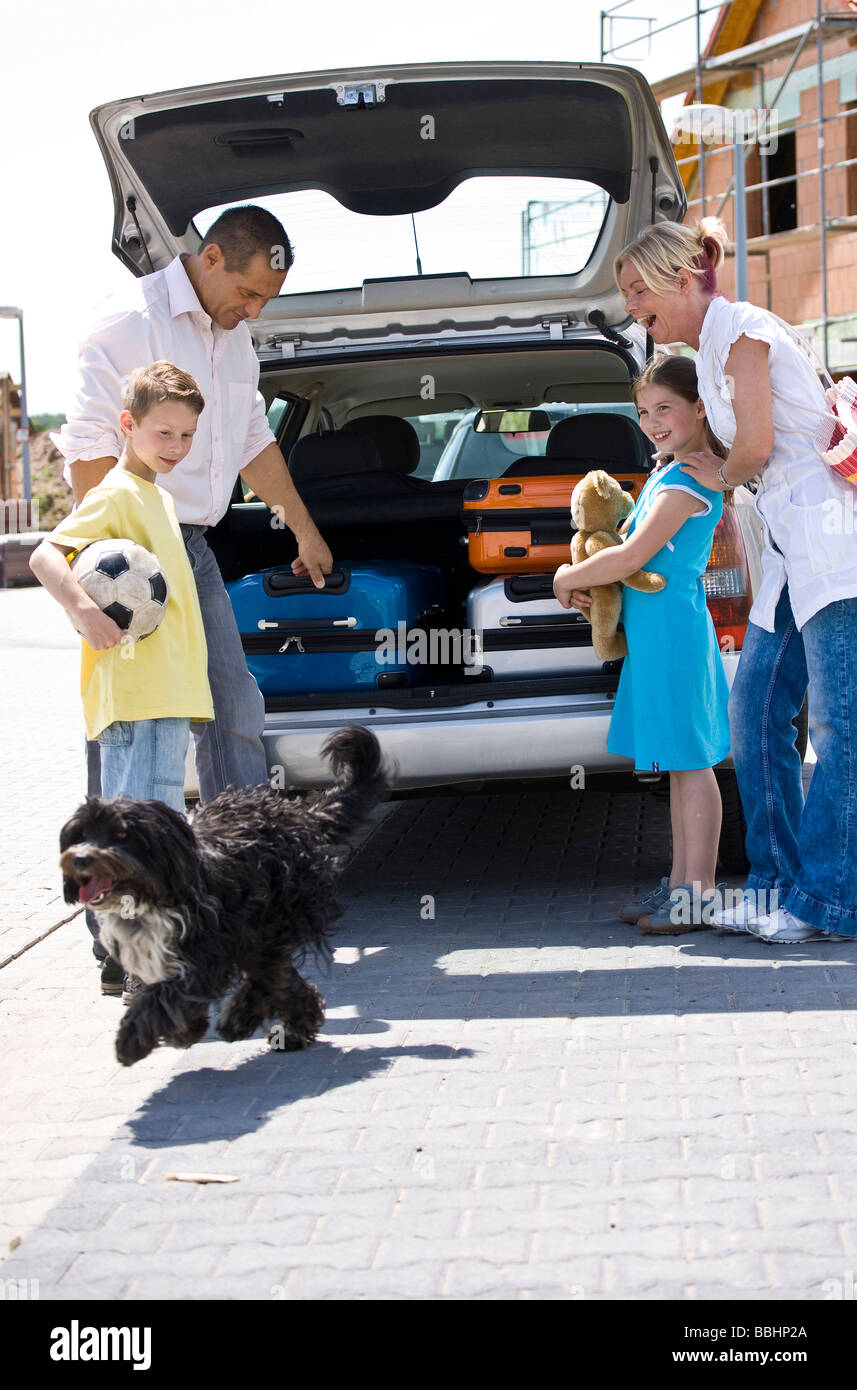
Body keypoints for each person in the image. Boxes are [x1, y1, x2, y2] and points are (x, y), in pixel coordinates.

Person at [53, 204, 332, 973]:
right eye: (248, 293)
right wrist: (104, 574)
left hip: (195, 548)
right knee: (125, 734)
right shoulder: (126, 322)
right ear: (210, 258)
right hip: (128, 551)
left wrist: (301, 526)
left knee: (232, 705)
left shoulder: (233, 339)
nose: (254, 312)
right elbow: (84, 450)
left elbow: (252, 440)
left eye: (265, 301)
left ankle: (241, 882)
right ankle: (116, 938)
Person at [613, 216, 857, 944]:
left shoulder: (743, 330)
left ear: (681, 277)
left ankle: (825, 903)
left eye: (637, 290)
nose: (631, 307)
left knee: (837, 729)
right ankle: (777, 884)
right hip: (786, 556)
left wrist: (715, 474)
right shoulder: (712, 347)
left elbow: (751, 445)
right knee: (750, 719)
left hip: (830, 550)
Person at [30, 362, 215, 1000]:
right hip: (135, 698)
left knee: (153, 829)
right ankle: (137, 965)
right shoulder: (114, 494)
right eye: (164, 432)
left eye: (188, 436)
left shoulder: (159, 497)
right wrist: (84, 611)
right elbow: (44, 555)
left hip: (165, 695)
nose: (176, 447)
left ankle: (126, 961)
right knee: (132, 838)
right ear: (128, 425)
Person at [554, 354, 731, 933]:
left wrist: (566, 577)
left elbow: (632, 556)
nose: (653, 421)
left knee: (693, 763)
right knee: (677, 765)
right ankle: (681, 883)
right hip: (655, 638)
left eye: (665, 409)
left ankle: (698, 893)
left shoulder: (689, 482)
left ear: (699, 408)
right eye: (643, 412)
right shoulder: (670, 471)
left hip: (676, 634)